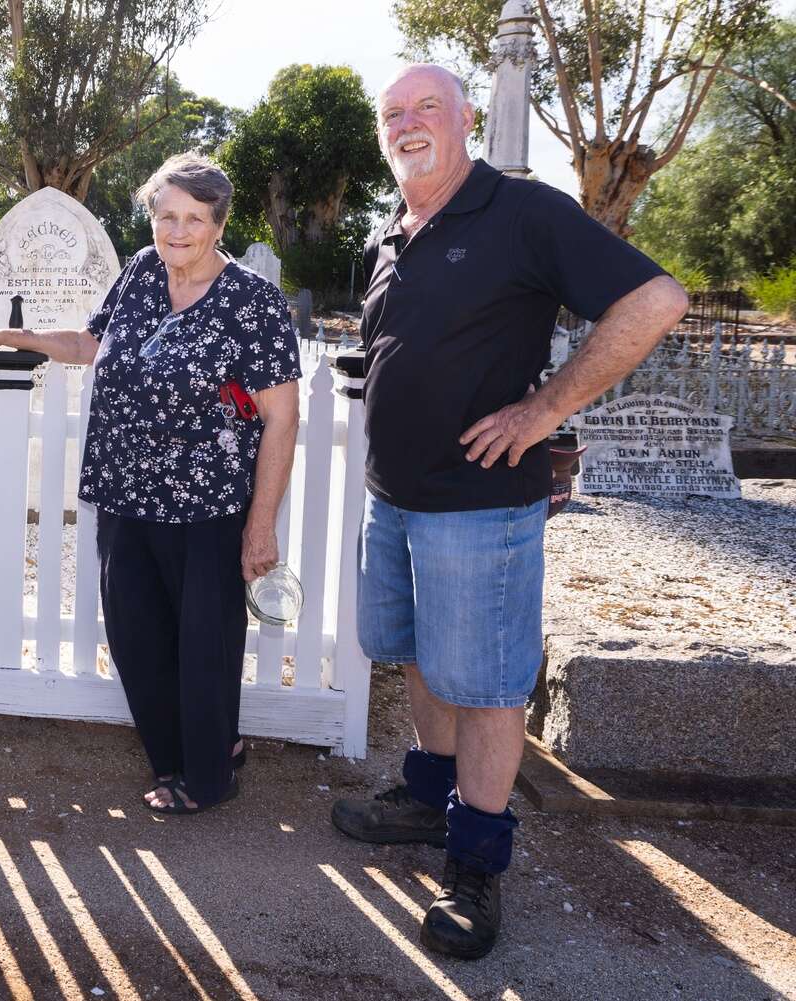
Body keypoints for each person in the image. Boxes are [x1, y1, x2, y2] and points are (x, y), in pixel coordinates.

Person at [329, 64, 688, 959]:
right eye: (393, 113)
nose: (408, 123)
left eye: (428, 107)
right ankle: (429, 794)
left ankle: (475, 864)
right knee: (417, 652)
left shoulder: (523, 211)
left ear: (465, 120)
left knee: (487, 686)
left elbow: (656, 300)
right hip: (393, 495)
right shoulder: (391, 231)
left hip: (481, 506)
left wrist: (544, 409)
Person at [0, 152, 300, 816]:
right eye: (166, 216)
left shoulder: (251, 301)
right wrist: (9, 334)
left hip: (207, 508)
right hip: (124, 496)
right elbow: (91, 343)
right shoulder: (142, 272)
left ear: (219, 224)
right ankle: (179, 759)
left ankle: (209, 776)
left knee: (204, 646)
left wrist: (260, 525)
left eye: (193, 218)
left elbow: (281, 417)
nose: (177, 231)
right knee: (138, 638)